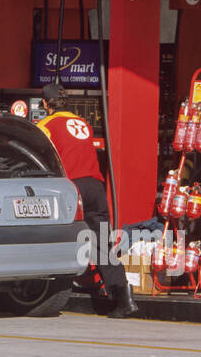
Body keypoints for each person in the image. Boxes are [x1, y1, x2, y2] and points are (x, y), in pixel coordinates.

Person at [36, 84, 138, 318]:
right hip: (95, 186)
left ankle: (51, 290)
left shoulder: (46, 125)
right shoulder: (83, 124)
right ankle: (123, 297)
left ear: (44, 104)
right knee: (102, 245)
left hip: (73, 187)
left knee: (60, 236)